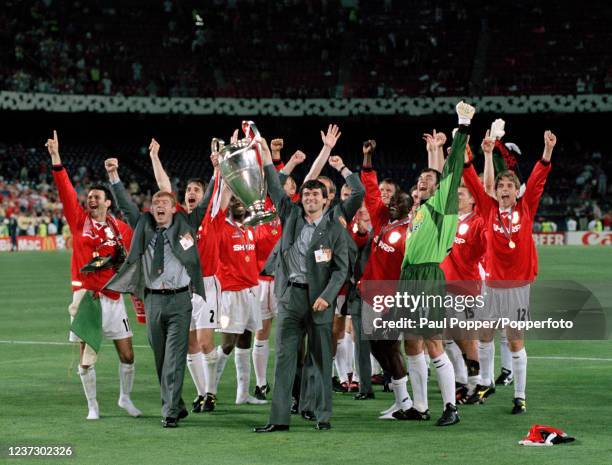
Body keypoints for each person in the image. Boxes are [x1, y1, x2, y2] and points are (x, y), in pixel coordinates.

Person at [103, 157, 211, 428]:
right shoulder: (144, 224)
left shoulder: (188, 224)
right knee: (161, 358)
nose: (159, 207)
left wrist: (219, 171)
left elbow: (208, 201)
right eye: (156, 204)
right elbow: (125, 205)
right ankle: (177, 404)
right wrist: (114, 175)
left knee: (174, 356)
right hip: (152, 301)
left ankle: (169, 412)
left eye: (164, 204)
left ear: (175, 209)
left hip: (180, 300)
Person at [254, 137, 349, 432]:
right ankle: (278, 419)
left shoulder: (334, 229)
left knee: (320, 360)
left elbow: (341, 270)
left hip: (318, 300)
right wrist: (272, 159)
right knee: (283, 359)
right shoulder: (291, 215)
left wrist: (328, 296)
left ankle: (323, 416)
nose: (308, 199)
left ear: (325, 200)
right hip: (290, 297)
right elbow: (273, 186)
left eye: (314, 196)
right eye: (305, 195)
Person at [45, 131, 141, 421]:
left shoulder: (121, 229)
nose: (91, 200)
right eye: (89, 197)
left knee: (128, 355)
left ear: (107, 202)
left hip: (113, 299)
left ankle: (125, 398)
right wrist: (56, 158)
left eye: (96, 197)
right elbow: (65, 190)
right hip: (88, 299)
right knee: (87, 358)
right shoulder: (79, 221)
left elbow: (134, 253)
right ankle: (93, 406)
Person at [463, 129, 557, 414]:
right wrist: (467, 154)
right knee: (485, 334)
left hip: (517, 286)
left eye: (509, 186)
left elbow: (539, 179)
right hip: (491, 284)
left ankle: (519, 395)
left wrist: (547, 151)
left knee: (515, 339)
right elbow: (472, 182)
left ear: (517, 191)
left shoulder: (526, 208)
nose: (504, 189)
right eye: (501, 185)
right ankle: (485, 382)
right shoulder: (487, 209)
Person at [398, 101, 474, 427]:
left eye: (429, 179)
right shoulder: (420, 211)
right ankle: (419, 405)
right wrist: (433, 152)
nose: (423, 182)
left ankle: (450, 408)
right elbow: (436, 176)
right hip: (410, 278)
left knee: (431, 342)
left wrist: (462, 126)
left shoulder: (442, 205)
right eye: (420, 179)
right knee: (410, 341)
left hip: (428, 277)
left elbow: (451, 170)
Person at [148, 139, 220, 413]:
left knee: (204, 342)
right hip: (181, 290)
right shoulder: (177, 218)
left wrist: (217, 170)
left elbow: (218, 193)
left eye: (196, 190)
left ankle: (211, 390)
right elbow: (164, 188)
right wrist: (155, 156)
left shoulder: (210, 215)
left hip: (206, 286)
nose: (191, 193)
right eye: (188, 189)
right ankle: (202, 393)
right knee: (189, 345)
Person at [358, 139, 414, 419]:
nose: (391, 206)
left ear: (409, 209)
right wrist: (368, 159)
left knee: (390, 346)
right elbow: (370, 191)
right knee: (374, 344)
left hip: (390, 299)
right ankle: (398, 398)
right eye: (391, 202)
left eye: (398, 204)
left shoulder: (409, 235)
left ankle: (405, 404)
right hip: (371, 293)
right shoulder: (383, 222)